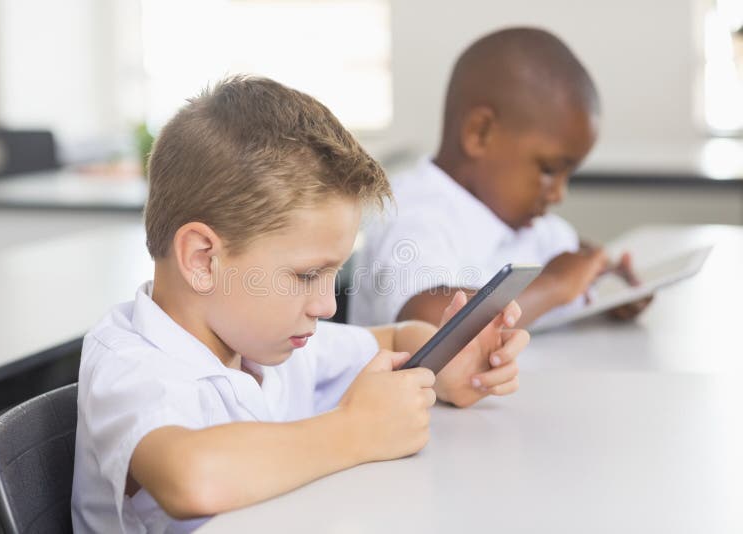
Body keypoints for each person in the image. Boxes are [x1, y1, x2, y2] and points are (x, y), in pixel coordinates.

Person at [71, 75, 529, 533]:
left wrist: (446, 361)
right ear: (202, 259)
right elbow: (192, 479)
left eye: (334, 274)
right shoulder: (132, 364)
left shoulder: (262, 340)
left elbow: (393, 339)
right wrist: (354, 430)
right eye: (308, 275)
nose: (327, 305)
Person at [348, 27, 652, 329]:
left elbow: (571, 268)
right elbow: (428, 322)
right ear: (479, 133)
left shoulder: (530, 225)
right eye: (549, 169)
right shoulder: (414, 213)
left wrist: (607, 289)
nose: (559, 193)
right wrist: (555, 285)